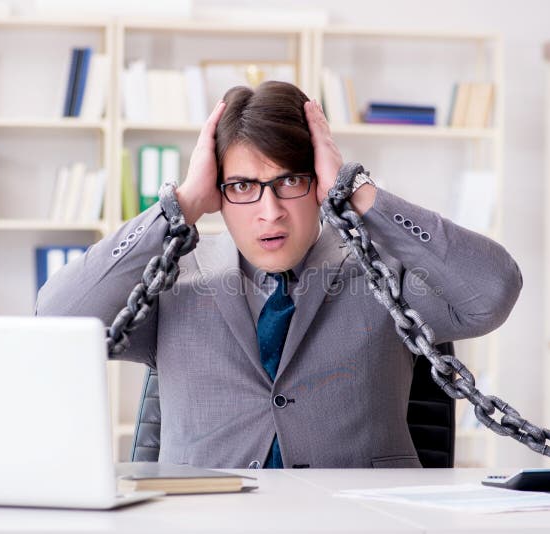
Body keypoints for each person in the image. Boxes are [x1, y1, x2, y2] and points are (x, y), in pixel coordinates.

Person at [36, 81, 522, 469]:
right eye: (243, 186)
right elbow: (57, 317)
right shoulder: (170, 277)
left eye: (290, 180)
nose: (270, 212)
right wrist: (179, 205)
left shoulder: (385, 269)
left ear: (318, 183)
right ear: (217, 191)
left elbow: (492, 292)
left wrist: (360, 195)